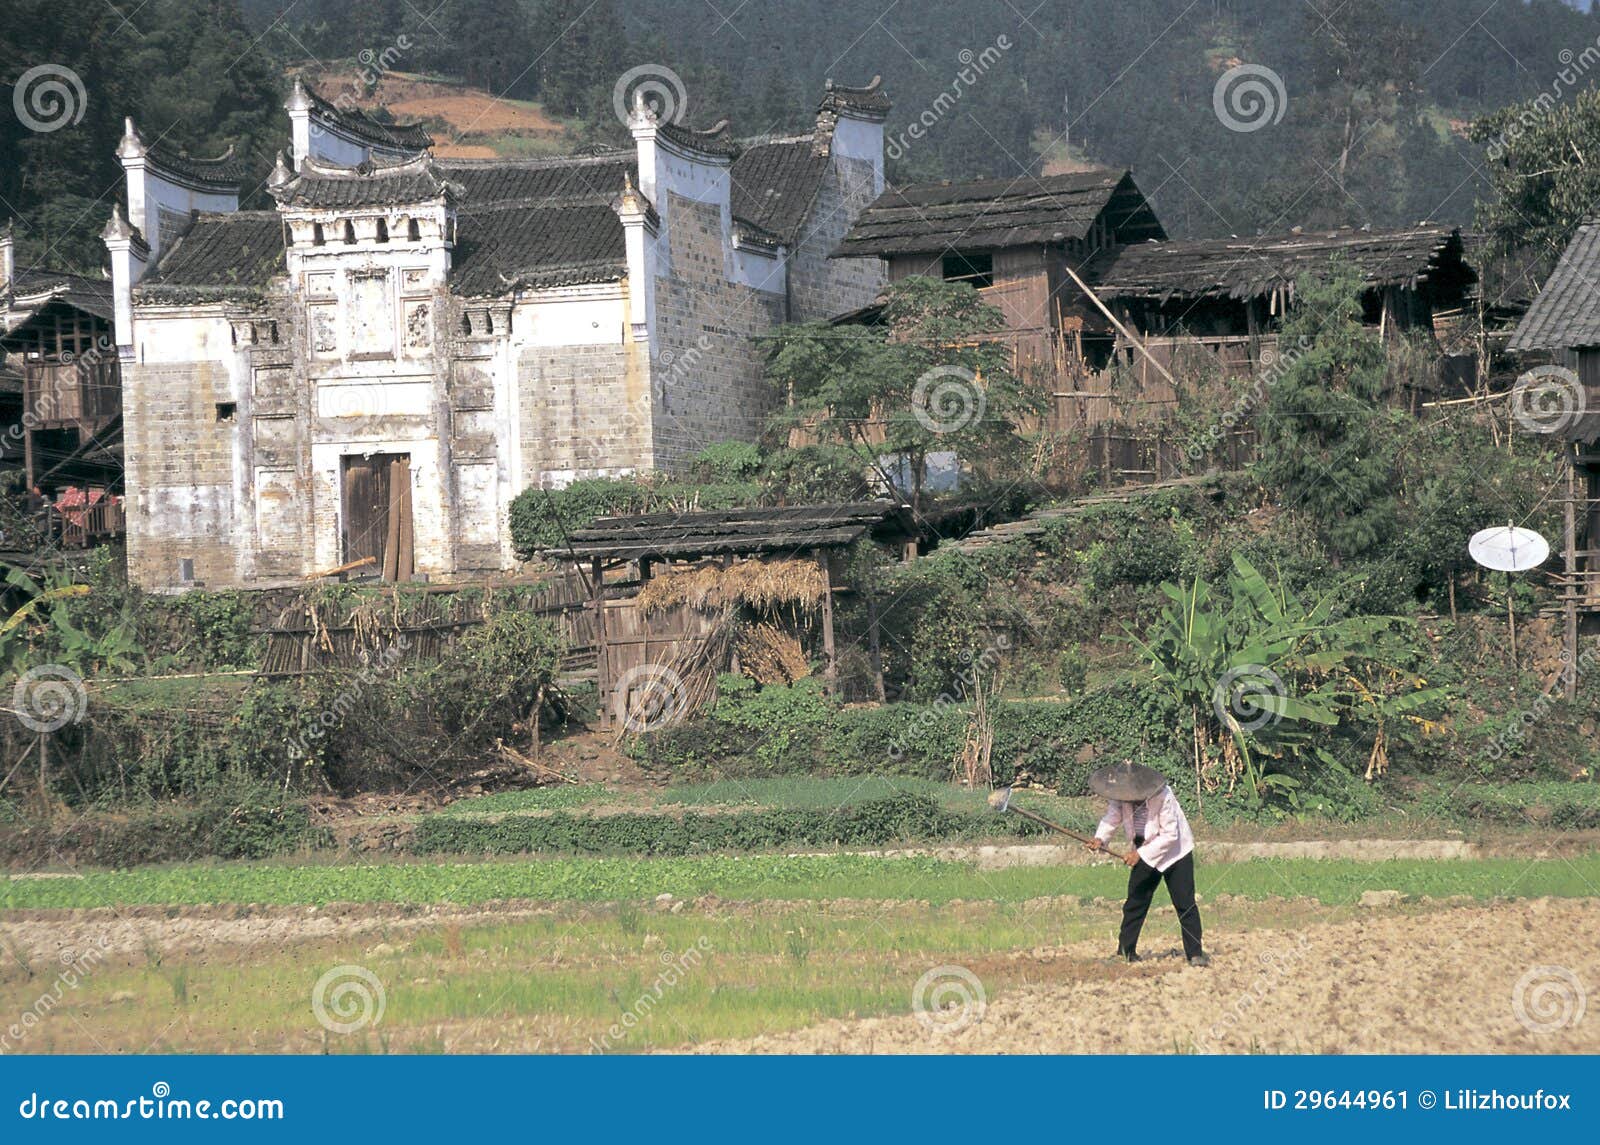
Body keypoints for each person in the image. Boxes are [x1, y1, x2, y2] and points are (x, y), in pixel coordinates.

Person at [1087, 760, 1209, 967]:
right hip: (1143, 848)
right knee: (1135, 901)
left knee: (1184, 902)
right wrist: (1100, 839)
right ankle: (1126, 951)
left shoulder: (1162, 795)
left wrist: (1140, 855)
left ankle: (1195, 953)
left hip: (1175, 852)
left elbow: (1170, 835)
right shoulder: (1121, 795)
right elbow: (1113, 816)